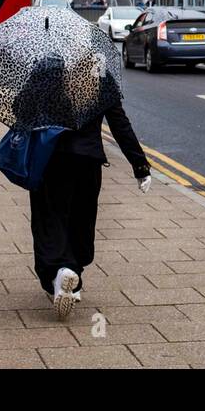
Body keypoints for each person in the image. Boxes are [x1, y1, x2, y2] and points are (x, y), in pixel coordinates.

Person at [30, 102, 152, 320]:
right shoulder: (101, 75)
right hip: (88, 160)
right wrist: (139, 165)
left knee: (49, 219)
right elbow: (119, 123)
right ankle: (73, 275)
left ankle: (59, 273)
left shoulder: (46, 70)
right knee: (81, 220)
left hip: (51, 158)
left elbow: (22, 109)